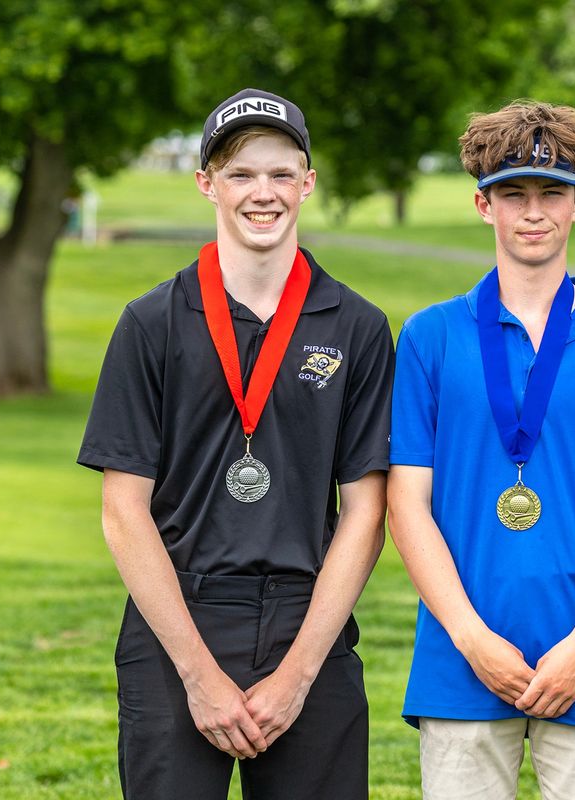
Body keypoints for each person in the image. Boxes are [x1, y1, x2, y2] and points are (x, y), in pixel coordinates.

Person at [77, 88, 393, 799]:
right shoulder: (151, 322)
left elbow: (367, 512)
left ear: (308, 183)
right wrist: (198, 674)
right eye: (242, 173)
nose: (264, 193)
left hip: (308, 619)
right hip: (177, 618)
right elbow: (123, 511)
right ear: (207, 184)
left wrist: (298, 675)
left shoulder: (358, 327)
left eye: (282, 174)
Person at [387, 100, 575, 800]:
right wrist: (471, 638)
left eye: (552, 194)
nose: (533, 212)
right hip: (460, 658)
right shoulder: (431, 337)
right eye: (514, 194)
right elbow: (407, 503)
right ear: (484, 205)